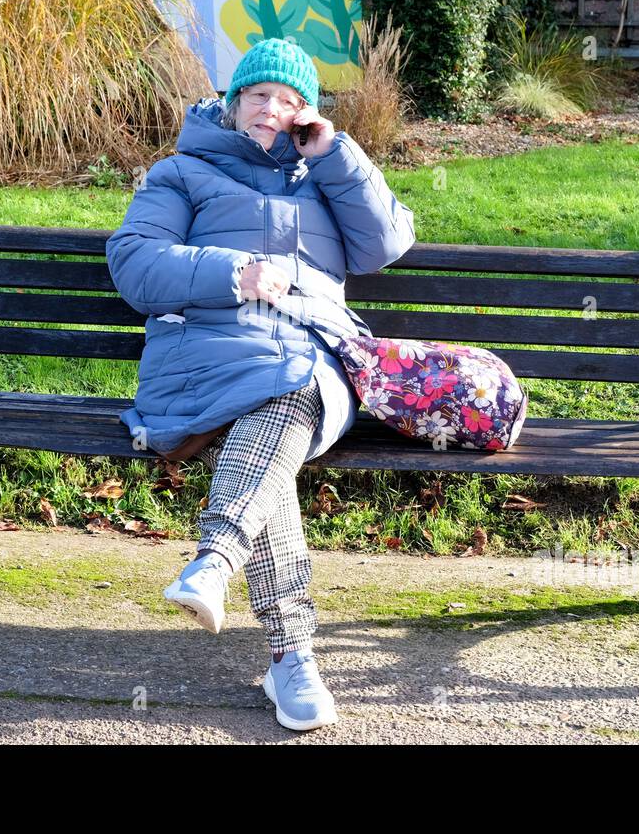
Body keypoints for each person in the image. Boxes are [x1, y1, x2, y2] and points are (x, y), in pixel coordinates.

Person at [105, 37, 416, 731]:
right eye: (258, 95)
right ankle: (290, 659)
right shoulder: (182, 172)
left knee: (292, 389)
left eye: (287, 99)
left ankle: (217, 559)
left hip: (314, 362)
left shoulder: (324, 176)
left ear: (304, 112)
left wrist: (332, 154)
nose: (270, 109)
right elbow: (135, 264)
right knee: (281, 410)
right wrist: (230, 274)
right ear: (232, 101)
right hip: (209, 361)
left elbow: (387, 243)